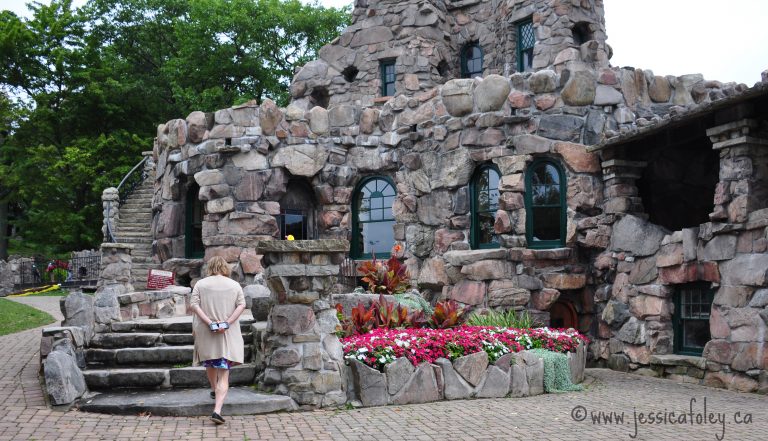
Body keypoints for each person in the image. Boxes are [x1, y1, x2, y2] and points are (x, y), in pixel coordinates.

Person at [190, 256, 246, 425]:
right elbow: (241, 305)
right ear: (225, 268)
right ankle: (217, 410)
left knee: (210, 363)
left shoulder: (200, 284)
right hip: (227, 335)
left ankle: (214, 389)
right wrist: (227, 323)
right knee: (224, 373)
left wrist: (209, 323)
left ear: (210, 267)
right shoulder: (234, 285)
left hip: (206, 333)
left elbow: (194, 305)